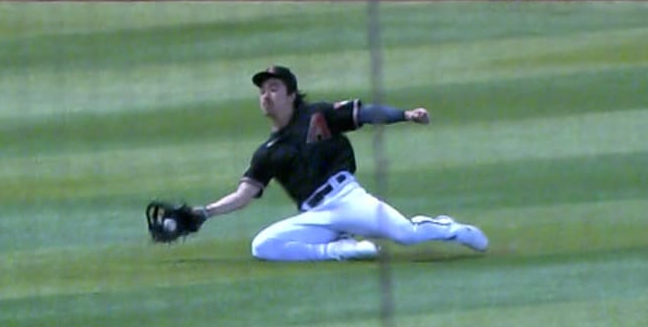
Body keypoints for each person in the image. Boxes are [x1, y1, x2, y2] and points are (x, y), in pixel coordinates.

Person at [192, 65, 488, 262]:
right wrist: (205, 213)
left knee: (406, 235)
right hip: (316, 216)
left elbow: (366, 113)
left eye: (273, 88)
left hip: (347, 199)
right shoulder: (267, 152)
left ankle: (448, 228)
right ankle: (339, 249)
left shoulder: (317, 114)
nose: (265, 96)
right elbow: (243, 196)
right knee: (263, 246)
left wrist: (405, 114)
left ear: (292, 95)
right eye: (262, 91)